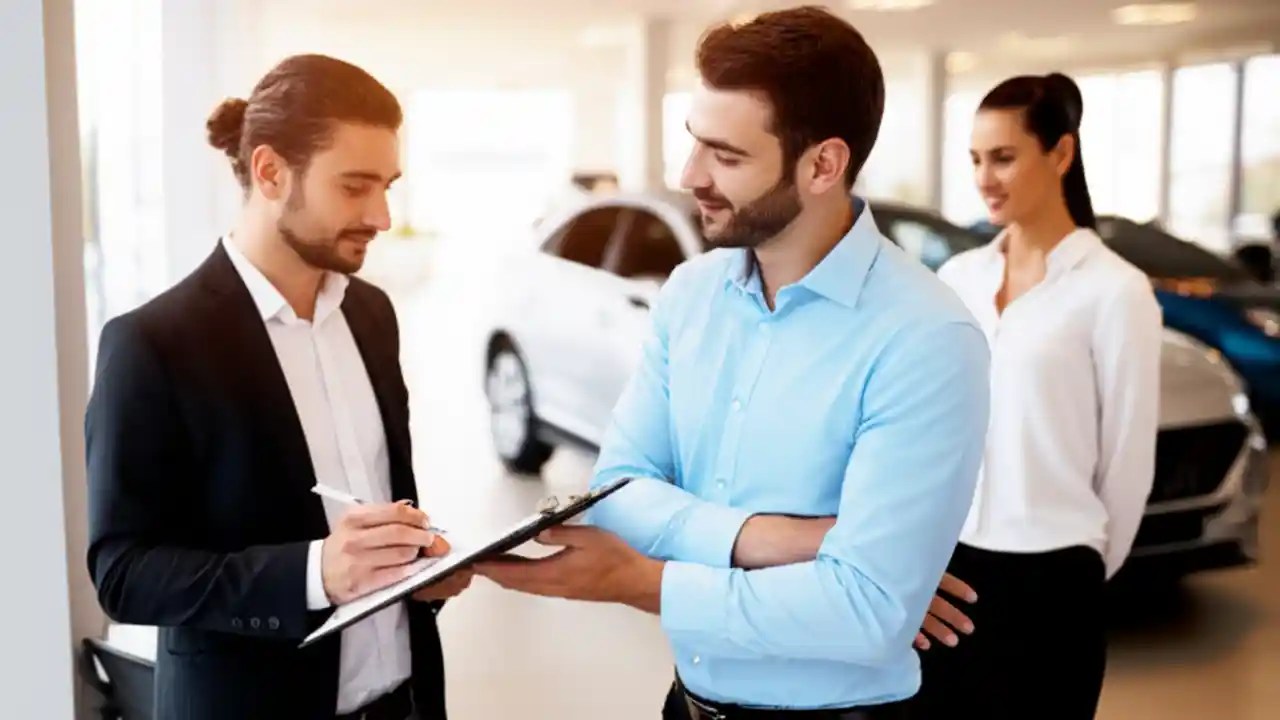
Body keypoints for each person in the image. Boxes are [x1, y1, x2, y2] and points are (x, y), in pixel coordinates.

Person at [476, 7, 990, 718]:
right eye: (694, 143)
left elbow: (867, 610)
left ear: (823, 165)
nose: (690, 175)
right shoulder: (691, 293)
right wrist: (777, 540)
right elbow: (619, 489)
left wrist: (643, 581)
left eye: (727, 155)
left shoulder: (927, 336)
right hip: (685, 704)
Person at [85, 54, 471, 720]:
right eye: (355, 187)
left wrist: (418, 564)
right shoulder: (153, 344)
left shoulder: (371, 314)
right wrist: (314, 573)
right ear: (270, 173)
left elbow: (379, 499)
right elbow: (124, 573)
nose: (382, 215)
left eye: (389, 185)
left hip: (404, 700)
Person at [911, 73, 1163, 719]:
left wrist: (1080, 574)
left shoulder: (1115, 290)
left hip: (1054, 578)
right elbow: (931, 426)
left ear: (1061, 153)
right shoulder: (959, 277)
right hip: (950, 569)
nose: (984, 177)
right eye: (975, 159)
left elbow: (1128, 462)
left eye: (1003, 157)